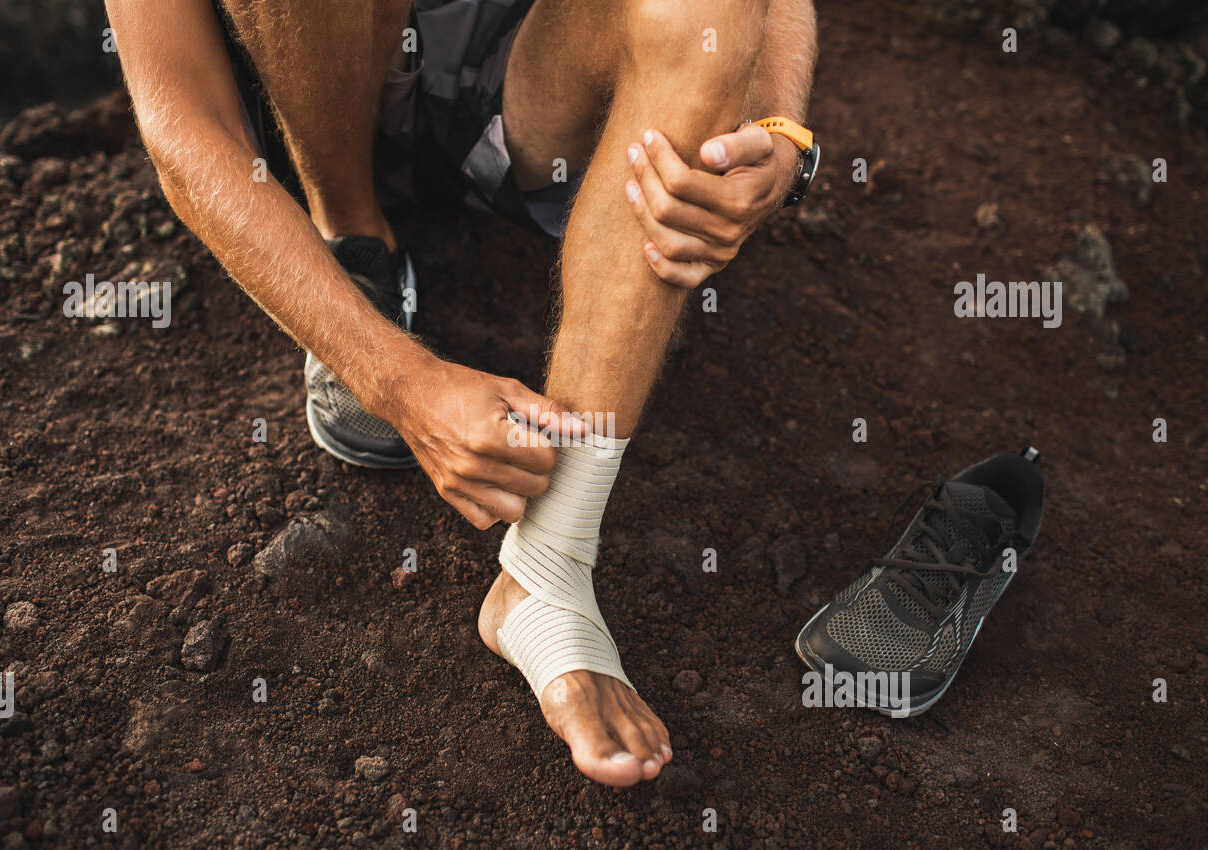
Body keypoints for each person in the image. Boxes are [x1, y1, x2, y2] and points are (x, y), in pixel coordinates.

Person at [105, 0, 819, 786]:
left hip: (520, 98)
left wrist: (779, 133)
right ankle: (352, 238)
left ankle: (547, 567)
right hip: (307, 101)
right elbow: (183, 124)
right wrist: (399, 381)